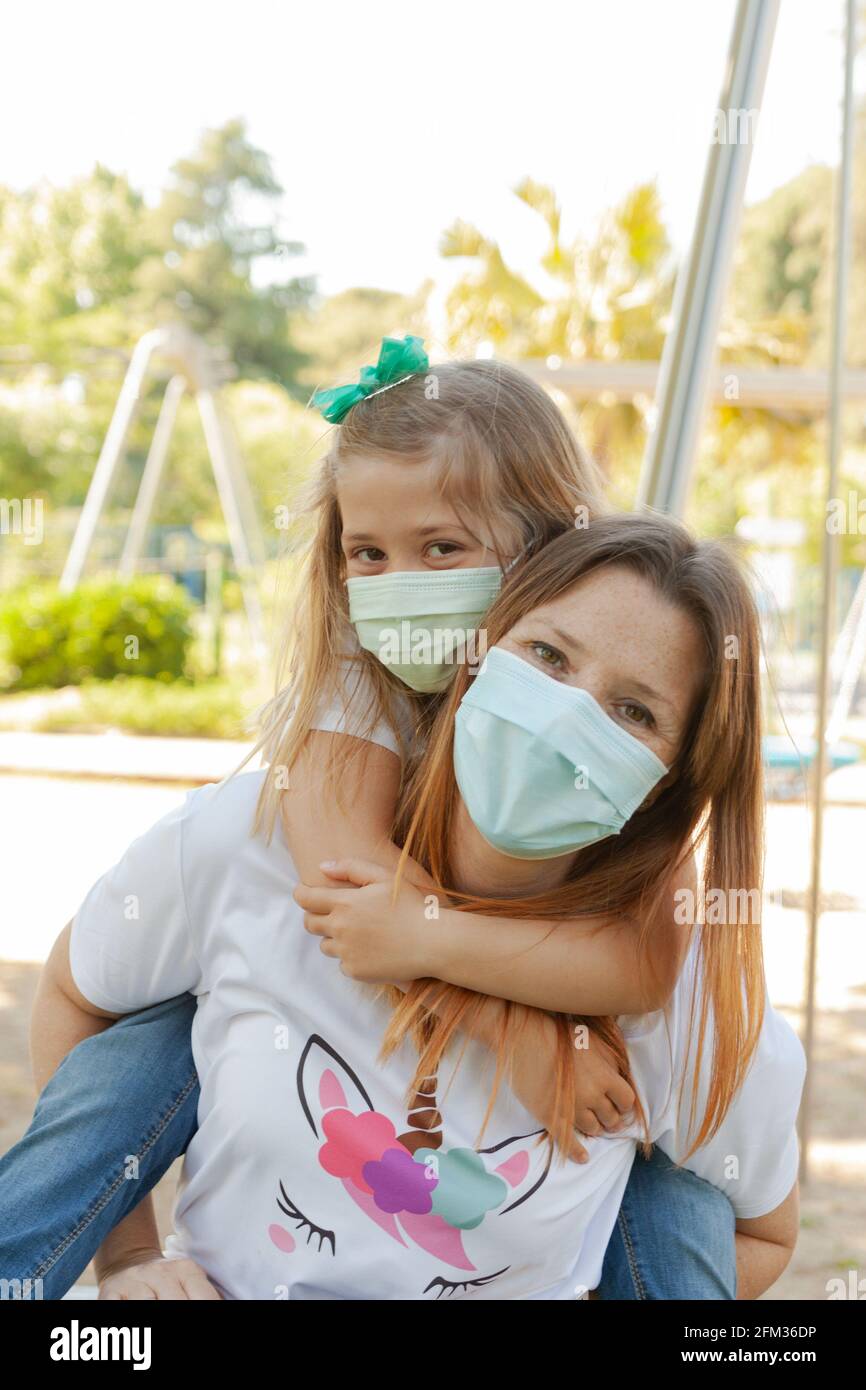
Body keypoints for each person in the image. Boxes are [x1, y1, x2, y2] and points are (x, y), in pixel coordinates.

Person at [5, 513, 804, 1299]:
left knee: (681, 1200)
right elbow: (79, 998)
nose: (569, 716)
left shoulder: (689, 996)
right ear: (477, 651)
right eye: (548, 655)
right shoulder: (251, 845)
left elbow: (761, 1232)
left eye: (635, 712)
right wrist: (130, 1257)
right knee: (157, 1034)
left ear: (672, 781)